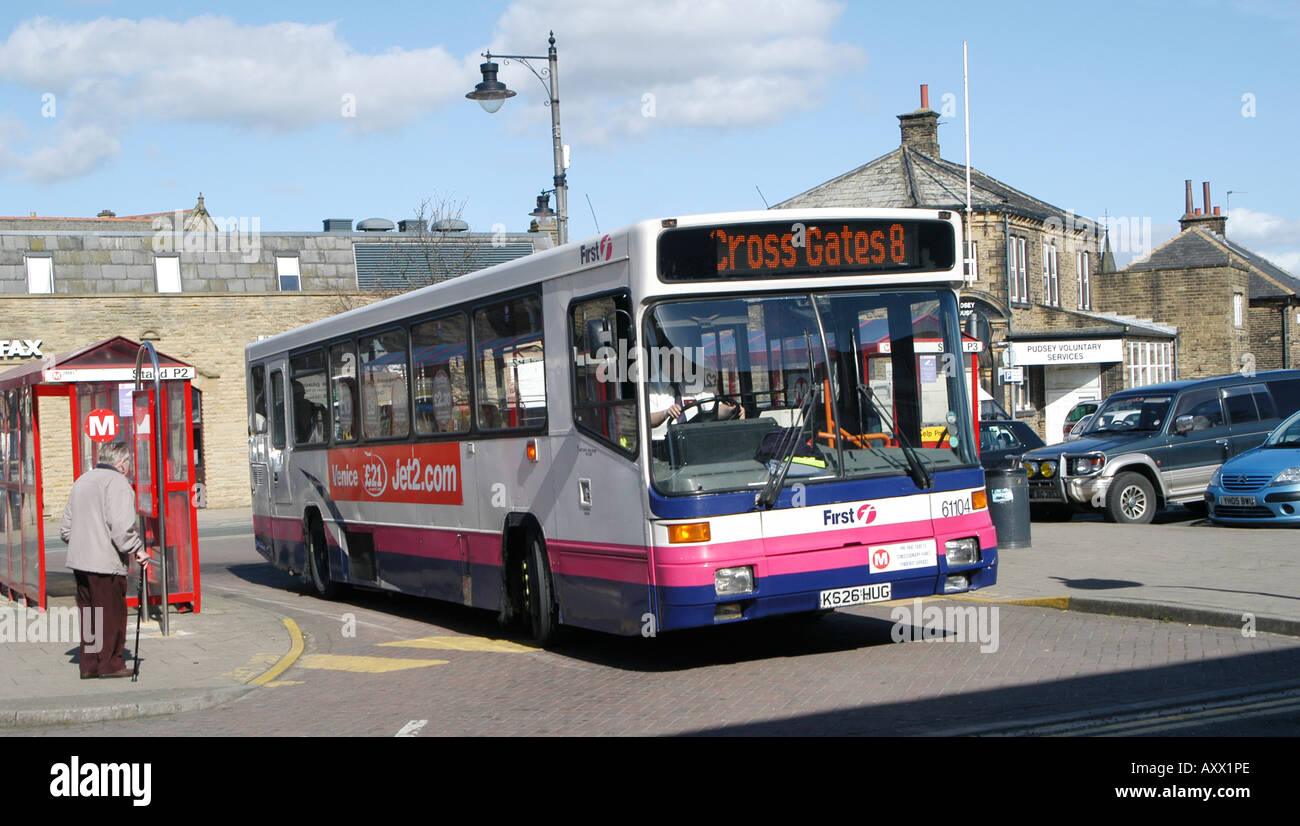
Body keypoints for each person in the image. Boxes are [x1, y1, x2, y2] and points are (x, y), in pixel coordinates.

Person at [60, 440, 149, 679]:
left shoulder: (82, 480)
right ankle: (110, 664)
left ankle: (89, 664)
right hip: (105, 563)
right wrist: (137, 549)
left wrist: (84, 543)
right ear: (121, 463)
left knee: (90, 615)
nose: (128, 467)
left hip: (80, 562)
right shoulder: (118, 483)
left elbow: (66, 529)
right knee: (111, 615)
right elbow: (121, 529)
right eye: (128, 462)